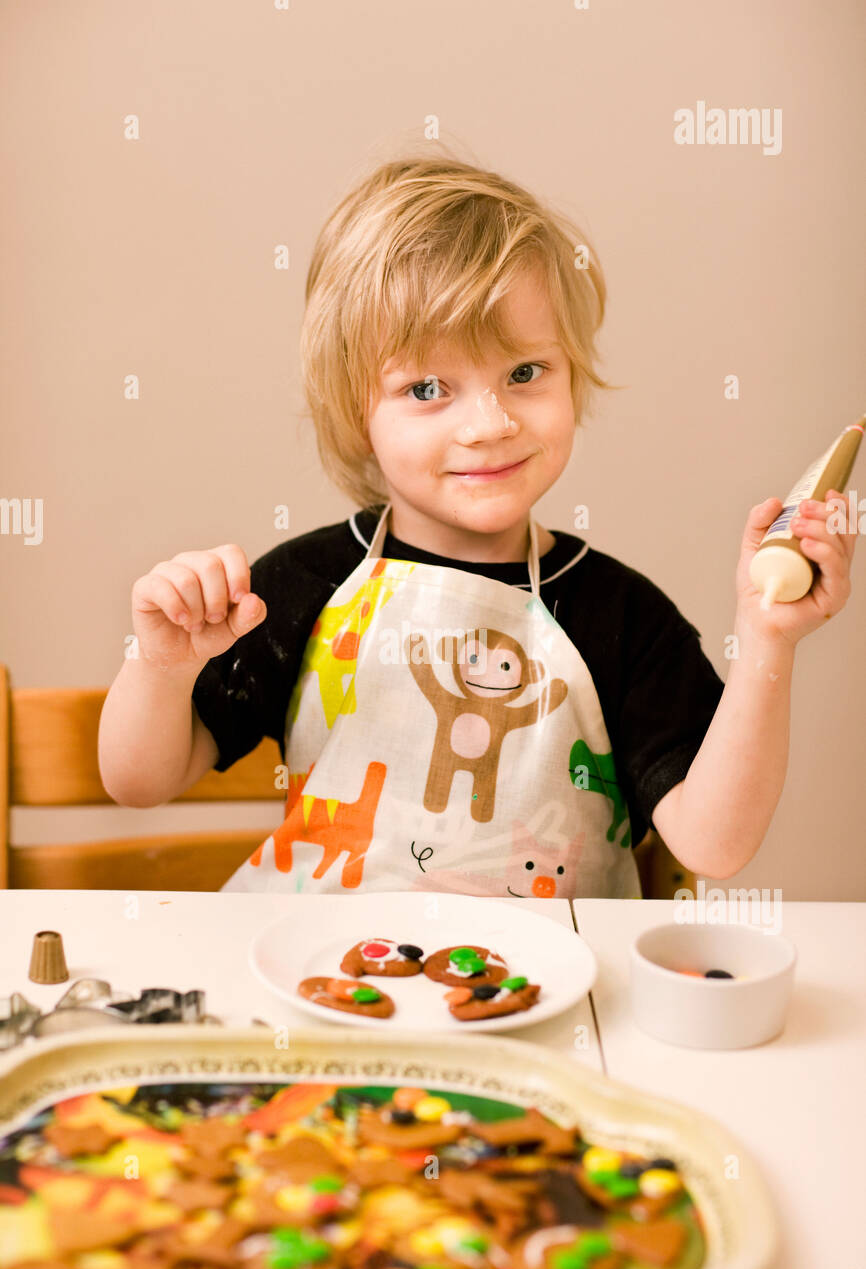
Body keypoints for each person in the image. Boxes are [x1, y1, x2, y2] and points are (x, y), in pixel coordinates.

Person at [98, 155, 857, 898]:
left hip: (545, 1005)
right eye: (428, 388)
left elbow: (714, 846)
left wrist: (768, 643)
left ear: (572, 373)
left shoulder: (621, 619)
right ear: (355, 413)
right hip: (328, 986)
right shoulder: (298, 587)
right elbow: (137, 782)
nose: (489, 425)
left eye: (524, 373)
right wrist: (161, 668)